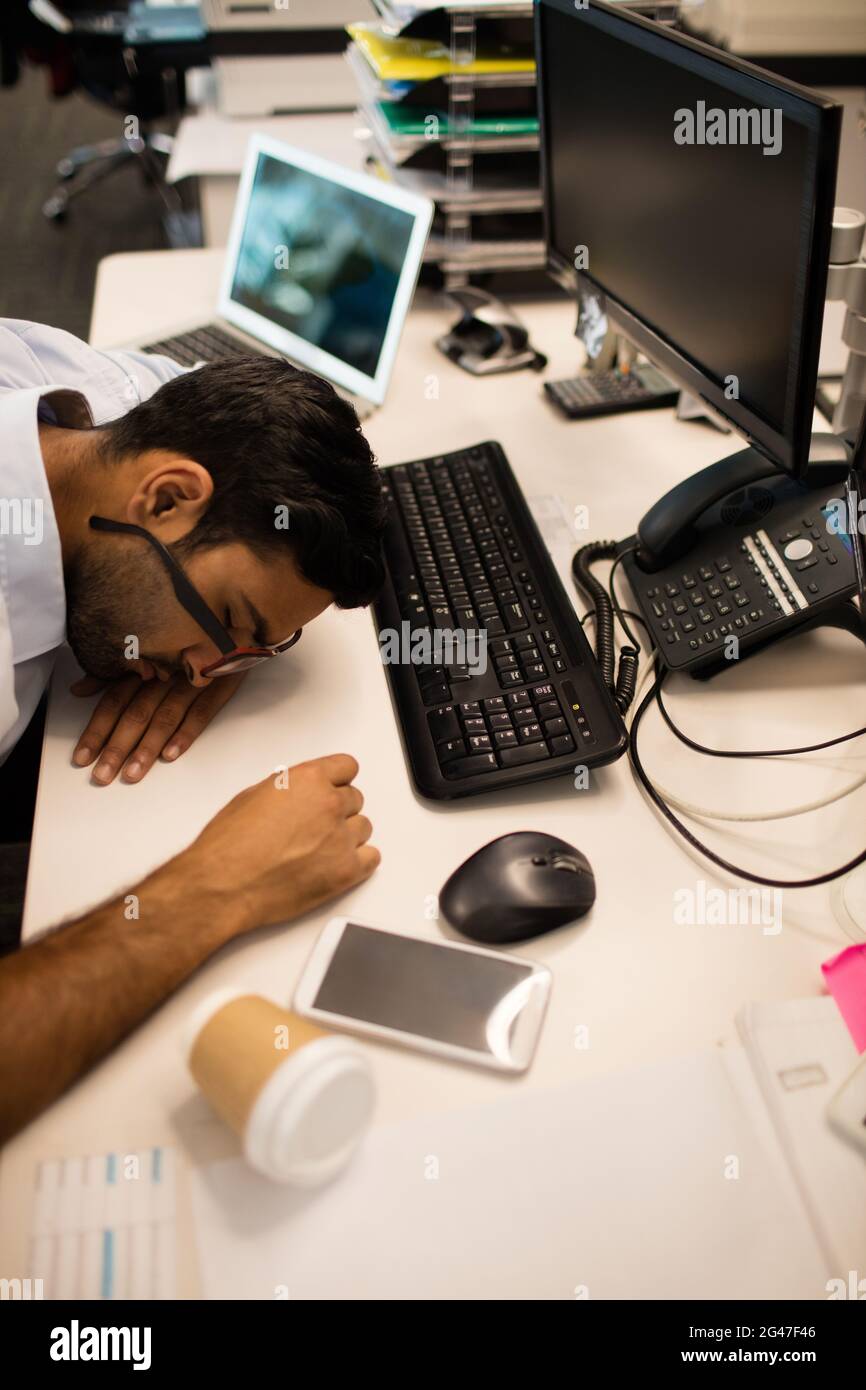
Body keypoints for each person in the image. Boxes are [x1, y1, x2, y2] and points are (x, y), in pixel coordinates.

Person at [0, 319, 385, 1140]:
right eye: (228, 623)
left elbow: (266, 415)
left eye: (251, 648)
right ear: (168, 500)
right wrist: (218, 885)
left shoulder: (97, 404)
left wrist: (228, 636)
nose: (208, 672)